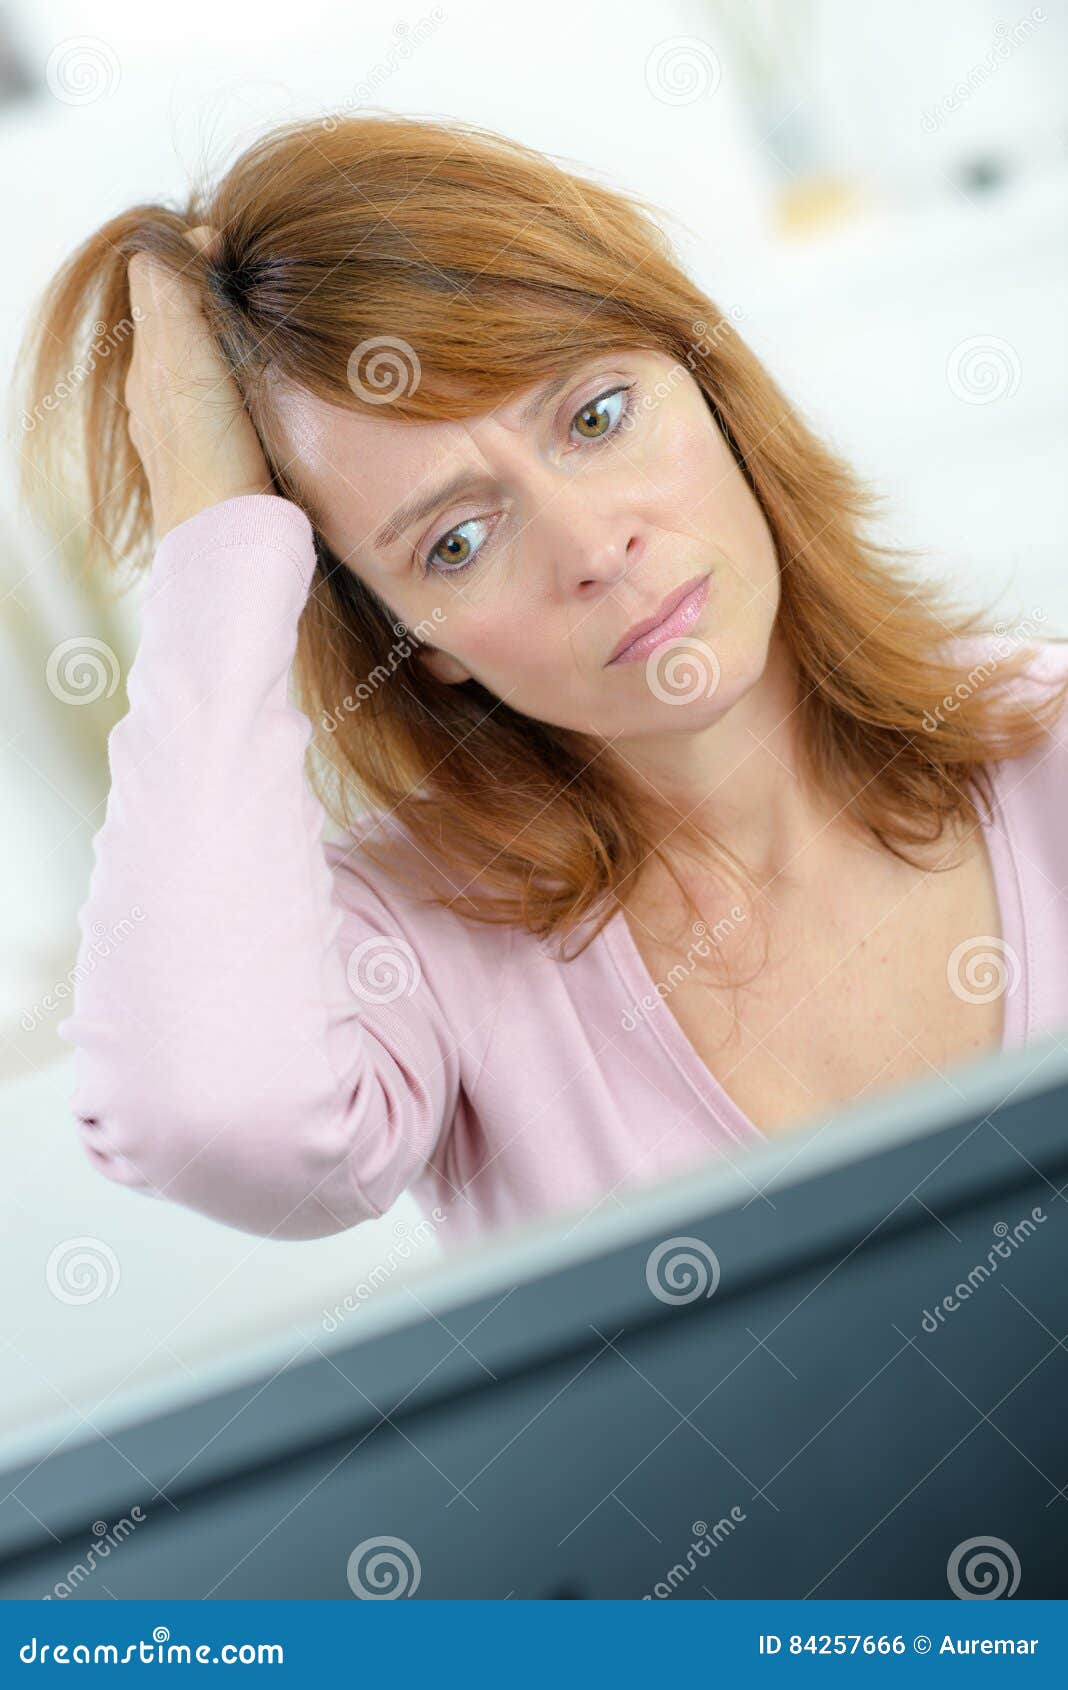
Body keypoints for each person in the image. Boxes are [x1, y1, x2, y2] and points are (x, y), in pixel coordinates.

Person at [14, 113, 1068, 1252]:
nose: (590, 546)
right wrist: (211, 530)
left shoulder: (1045, 744)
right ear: (416, 640)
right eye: (456, 542)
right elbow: (207, 1120)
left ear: (710, 389)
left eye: (595, 416)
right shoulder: (417, 941)